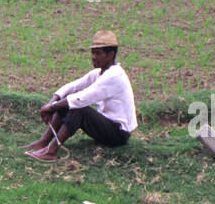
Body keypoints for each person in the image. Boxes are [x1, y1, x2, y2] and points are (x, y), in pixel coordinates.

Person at [25, 30, 136, 162]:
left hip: (118, 134)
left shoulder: (114, 76)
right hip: (106, 126)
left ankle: (51, 151)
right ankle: (43, 142)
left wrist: (52, 107)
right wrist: (52, 103)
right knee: (69, 99)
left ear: (110, 54)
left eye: (98, 53)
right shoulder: (99, 73)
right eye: (92, 53)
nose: (93, 57)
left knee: (78, 107)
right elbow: (71, 87)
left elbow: (82, 98)